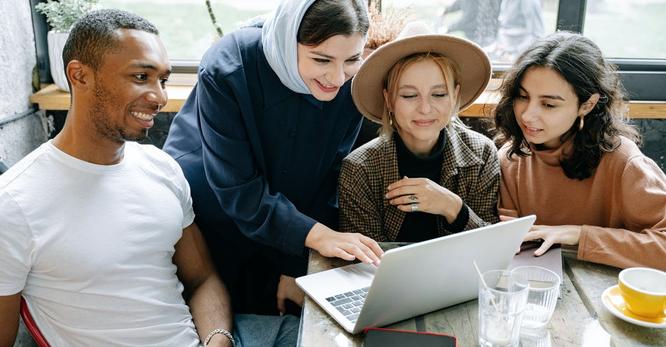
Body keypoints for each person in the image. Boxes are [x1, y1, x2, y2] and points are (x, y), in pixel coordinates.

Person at [0, 9, 296, 347]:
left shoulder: (161, 167)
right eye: (141, 77)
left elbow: (202, 279)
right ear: (80, 76)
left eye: (163, 79)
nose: (159, 97)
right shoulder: (13, 204)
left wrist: (218, 341)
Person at [162, 0, 383, 315]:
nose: (336, 78)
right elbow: (236, 188)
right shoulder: (228, 67)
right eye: (322, 59)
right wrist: (314, 235)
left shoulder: (350, 82)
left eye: (352, 59)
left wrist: (294, 266)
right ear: (287, 38)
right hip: (214, 197)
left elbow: (330, 174)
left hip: (286, 207)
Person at [495, 32, 666, 271]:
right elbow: (507, 246)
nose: (527, 114)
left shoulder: (624, 163)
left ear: (587, 104)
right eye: (522, 97)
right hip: (539, 291)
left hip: (613, 294)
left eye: (549, 104)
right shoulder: (510, 158)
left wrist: (580, 235)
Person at [339, 22, 500, 242]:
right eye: (408, 95)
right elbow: (365, 261)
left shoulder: (483, 154)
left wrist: (453, 207)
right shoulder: (359, 169)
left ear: (455, 95)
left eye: (439, 94)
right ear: (389, 99)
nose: (425, 108)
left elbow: (492, 245)